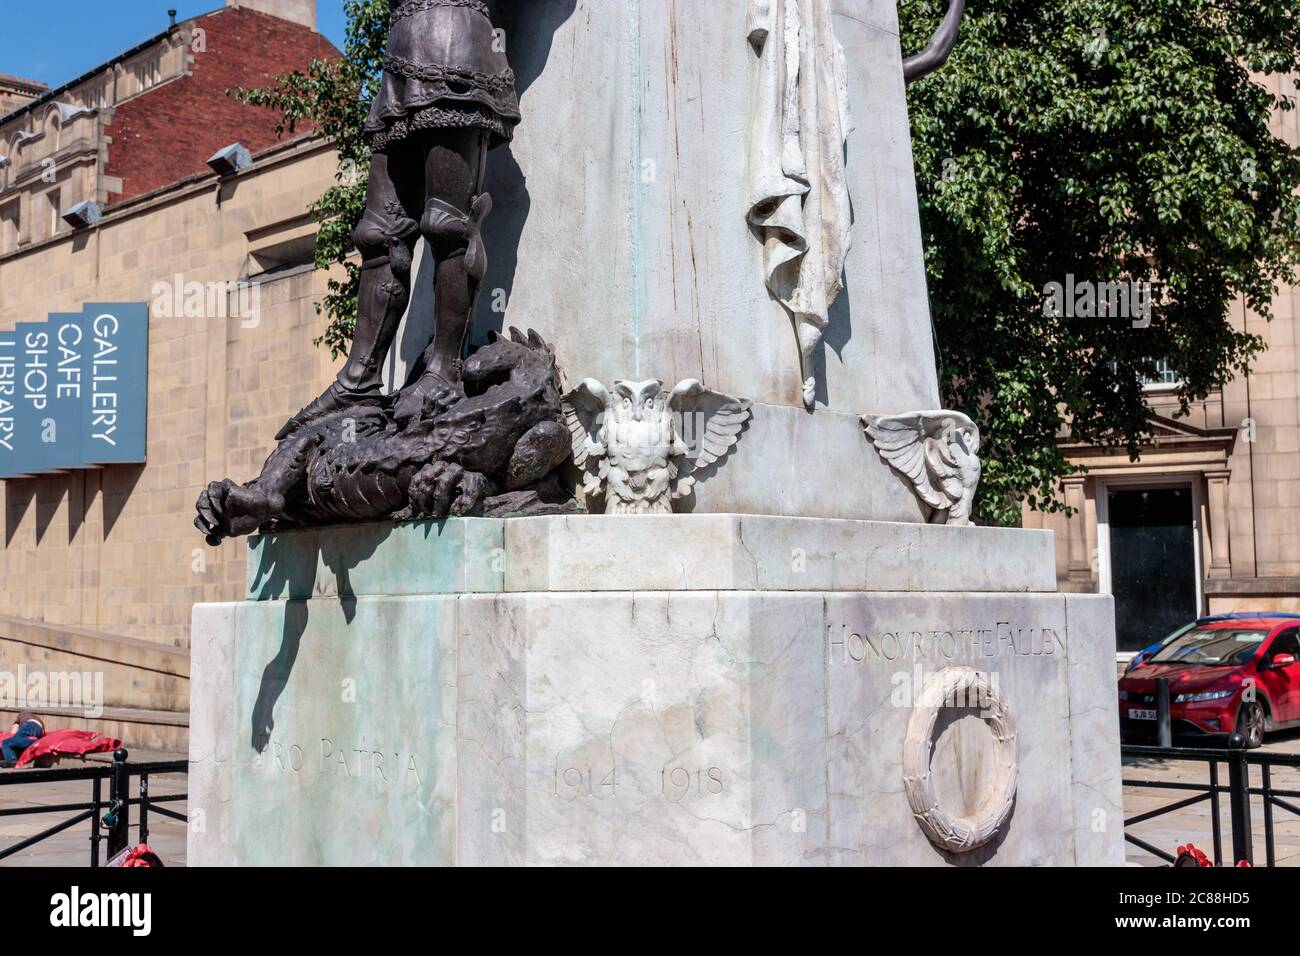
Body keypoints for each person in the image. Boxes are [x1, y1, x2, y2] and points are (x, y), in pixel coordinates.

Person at [276, 0, 521, 439]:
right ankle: (359, 381)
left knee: (449, 224)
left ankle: (445, 369)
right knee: (379, 235)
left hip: (457, 47)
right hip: (400, 55)